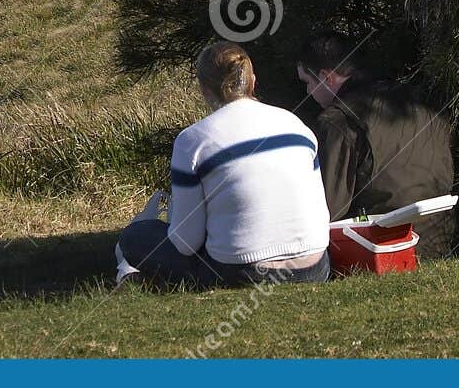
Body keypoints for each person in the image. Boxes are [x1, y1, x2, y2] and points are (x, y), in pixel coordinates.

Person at [116, 41, 330, 287]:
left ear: (204, 90)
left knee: (135, 236)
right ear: (253, 81)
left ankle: (150, 278)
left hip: (242, 273)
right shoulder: (296, 125)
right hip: (315, 266)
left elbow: (185, 242)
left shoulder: (192, 140)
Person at [296, 30, 455, 257]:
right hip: (437, 241)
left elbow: (329, 210)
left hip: (382, 248)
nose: (307, 92)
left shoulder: (338, 120)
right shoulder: (422, 102)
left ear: (326, 77)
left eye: (307, 82)